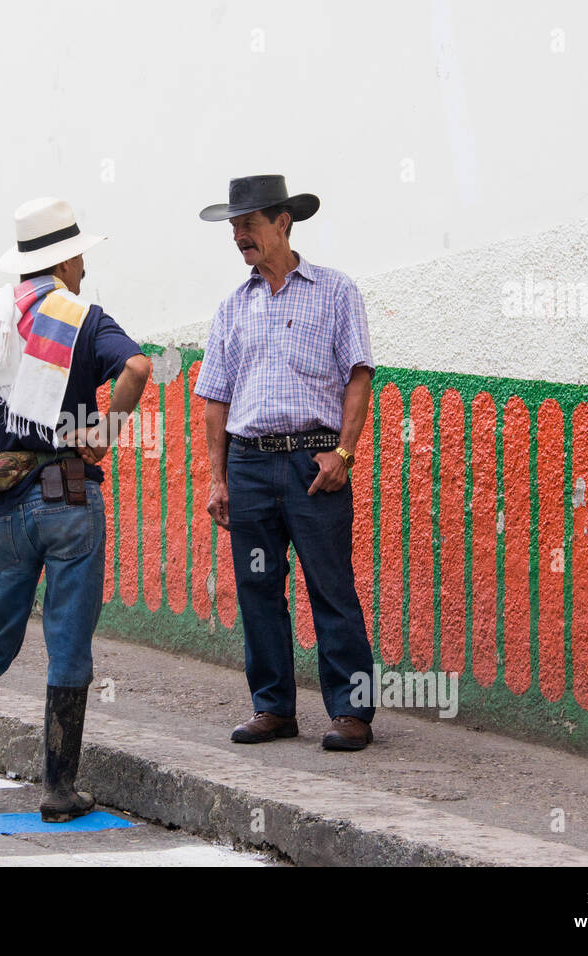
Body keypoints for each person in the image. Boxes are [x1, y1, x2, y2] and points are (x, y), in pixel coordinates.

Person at [0, 196, 152, 820]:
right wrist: (106, 429)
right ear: (69, 259)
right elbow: (137, 366)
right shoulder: (80, 317)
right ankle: (57, 790)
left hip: (1, 505)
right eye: (81, 258)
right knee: (68, 641)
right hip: (69, 500)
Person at [193, 175, 377, 752]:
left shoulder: (335, 291)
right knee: (257, 587)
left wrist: (343, 454)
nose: (239, 235)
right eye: (233, 226)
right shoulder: (232, 307)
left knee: (331, 588)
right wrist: (219, 479)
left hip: (313, 466)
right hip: (249, 467)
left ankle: (352, 712)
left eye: (249, 223)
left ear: (283, 223)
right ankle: (273, 707)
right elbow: (215, 399)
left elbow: (358, 376)